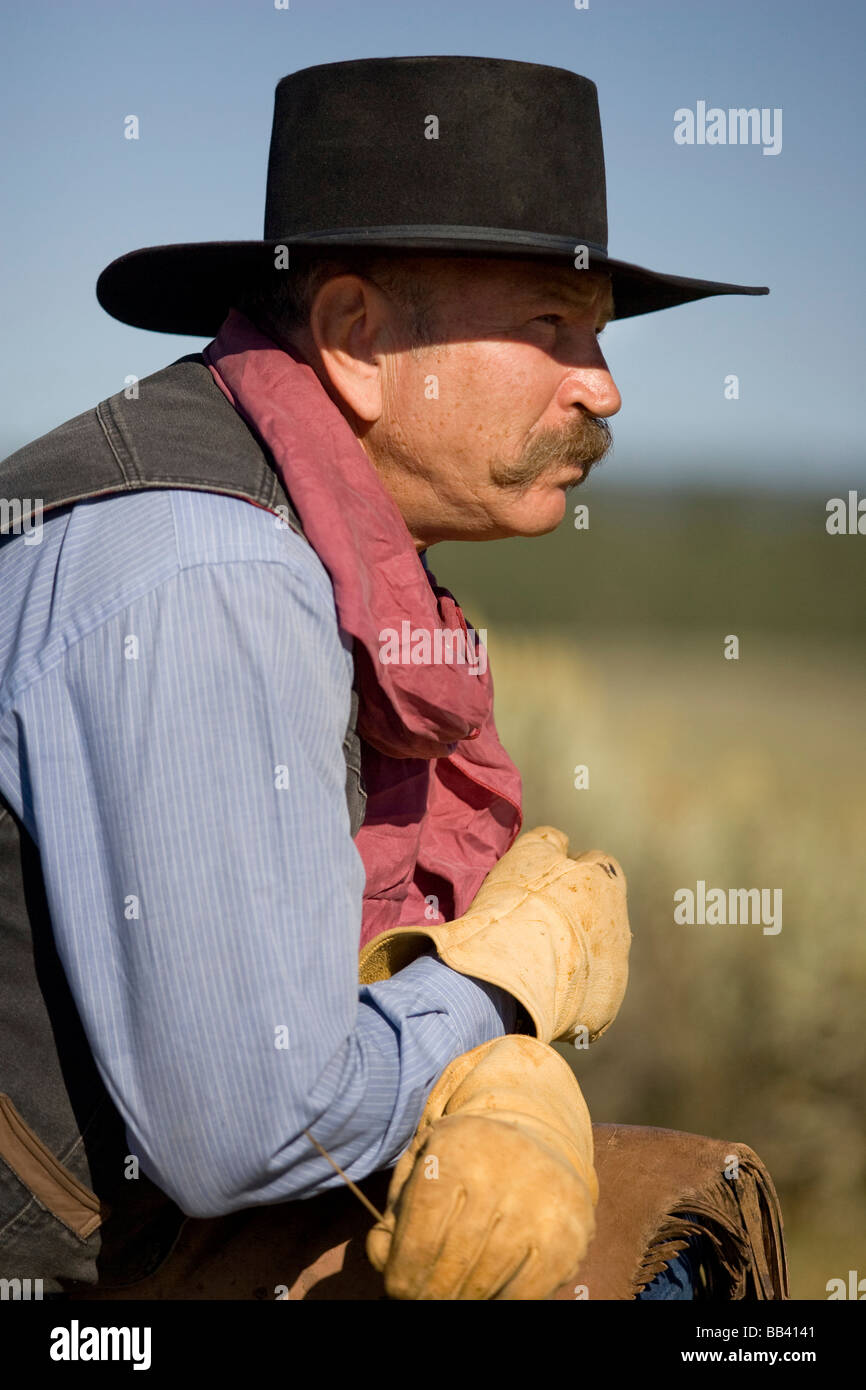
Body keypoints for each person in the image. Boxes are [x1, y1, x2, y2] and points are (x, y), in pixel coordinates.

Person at [0, 56, 781, 1301]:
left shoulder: (286, 533)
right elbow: (252, 1124)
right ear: (358, 340)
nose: (603, 384)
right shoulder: (208, 573)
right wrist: (494, 993)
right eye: (548, 326)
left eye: (596, 333)